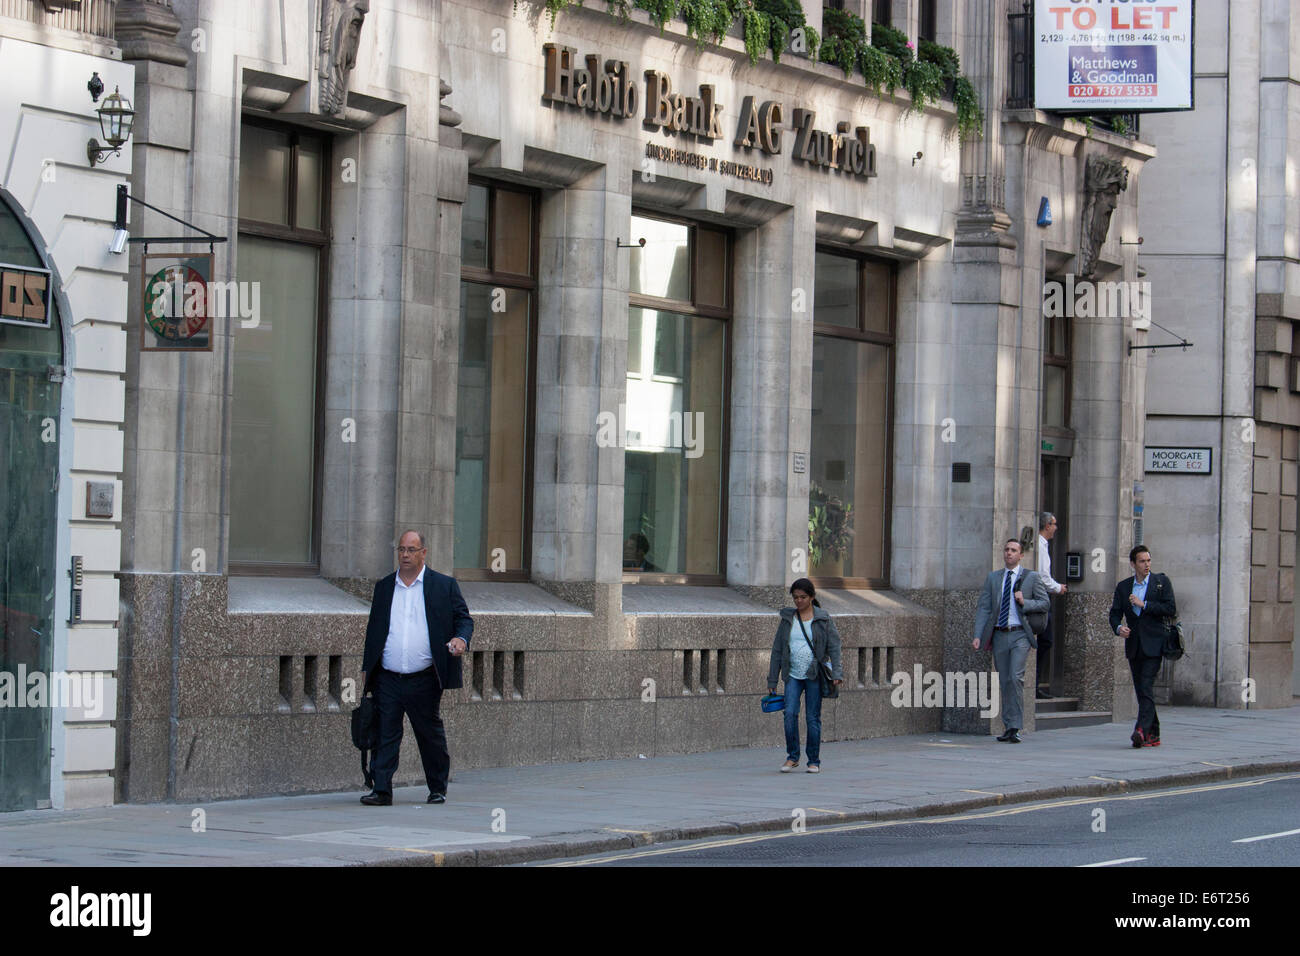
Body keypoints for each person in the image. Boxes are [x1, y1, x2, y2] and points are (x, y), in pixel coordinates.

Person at [359, 530, 473, 805]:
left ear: (424, 553)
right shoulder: (385, 587)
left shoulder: (443, 585)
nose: (406, 555)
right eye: (402, 550)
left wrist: (461, 639)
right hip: (388, 675)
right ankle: (382, 789)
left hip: (424, 676)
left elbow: (464, 619)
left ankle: (437, 787)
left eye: (412, 549)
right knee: (386, 732)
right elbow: (374, 630)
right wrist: (367, 668)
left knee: (428, 733)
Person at [971, 538, 1050, 743]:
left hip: (1020, 634)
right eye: (1006, 550)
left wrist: (1025, 602)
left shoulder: (1031, 578)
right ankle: (1008, 726)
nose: (1009, 553)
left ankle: (1015, 726)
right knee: (1005, 680)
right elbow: (985, 608)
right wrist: (978, 635)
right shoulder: (994, 578)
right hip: (999, 634)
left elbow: (1045, 603)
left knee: (1016, 677)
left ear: (1021, 555)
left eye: (1013, 550)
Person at [767, 579, 842, 773]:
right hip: (792, 674)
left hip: (814, 675)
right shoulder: (787, 619)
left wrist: (837, 672)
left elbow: (834, 647)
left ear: (812, 597)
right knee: (790, 714)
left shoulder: (823, 619)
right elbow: (777, 650)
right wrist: (772, 680)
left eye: (803, 597)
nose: (799, 601)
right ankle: (792, 757)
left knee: (812, 718)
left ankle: (813, 760)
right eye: (795, 598)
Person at [1108, 545, 1176, 748]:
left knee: (1146, 685)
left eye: (1148, 561)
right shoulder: (1123, 587)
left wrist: (1144, 604)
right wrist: (1119, 627)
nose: (1147, 565)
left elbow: (1171, 609)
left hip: (1155, 644)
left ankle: (1140, 730)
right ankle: (1153, 734)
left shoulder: (1161, 583)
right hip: (1134, 645)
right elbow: (1114, 613)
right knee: (1141, 689)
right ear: (1133, 564)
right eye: (1142, 561)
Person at [1035, 512, 1067, 699]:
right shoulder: (1040, 545)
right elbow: (1042, 576)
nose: (1056, 528)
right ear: (1047, 525)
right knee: (1045, 640)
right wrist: (1057, 587)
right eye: (1054, 524)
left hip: (1043, 596)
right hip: (1041, 597)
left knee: (1045, 641)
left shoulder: (1043, 545)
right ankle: (1036, 683)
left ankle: (1037, 683)